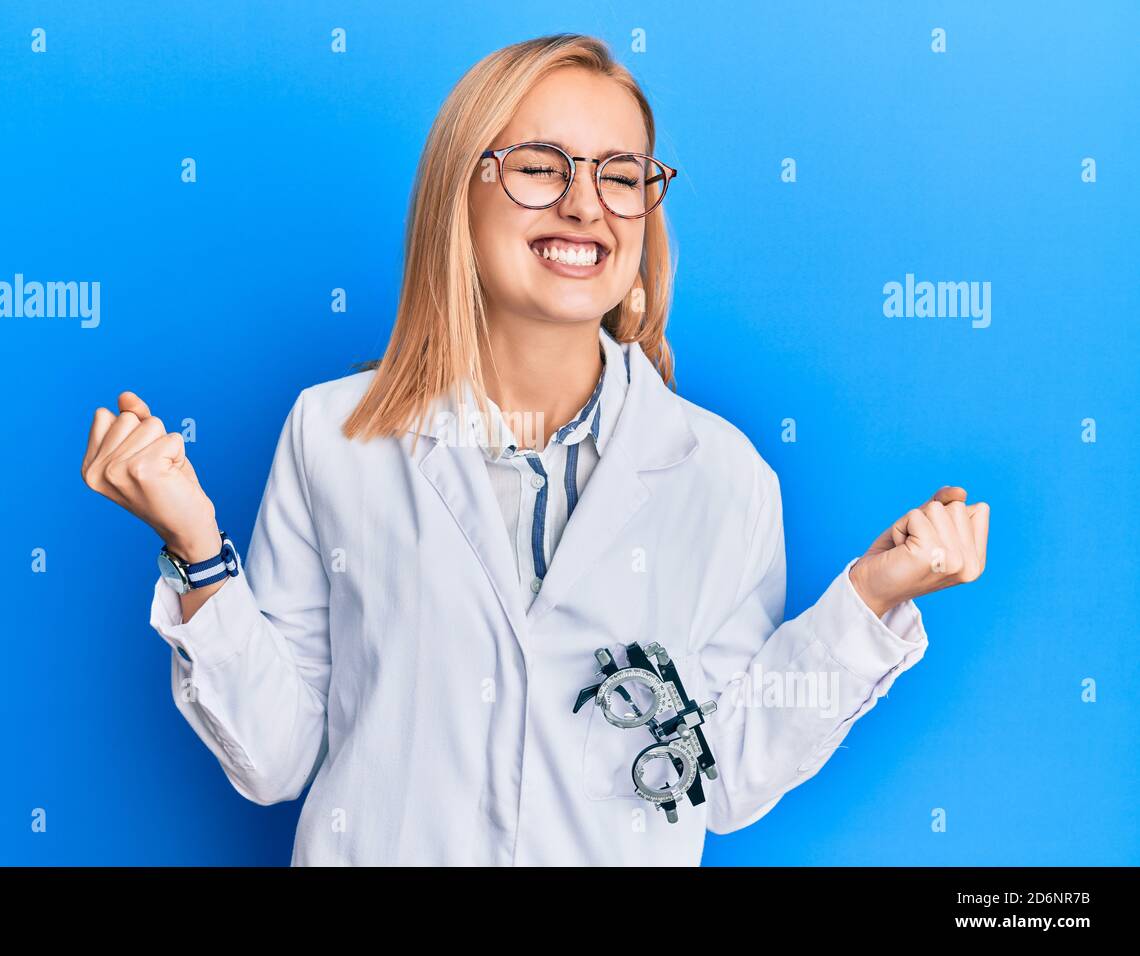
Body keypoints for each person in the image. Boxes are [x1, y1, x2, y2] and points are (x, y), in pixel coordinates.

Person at [81, 33, 989, 866]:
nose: (585, 204)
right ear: (458, 193)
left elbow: (721, 779)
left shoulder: (722, 474)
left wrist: (869, 600)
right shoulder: (334, 433)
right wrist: (199, 554)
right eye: (540, 168)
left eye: (620, 175)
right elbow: (276, 760)